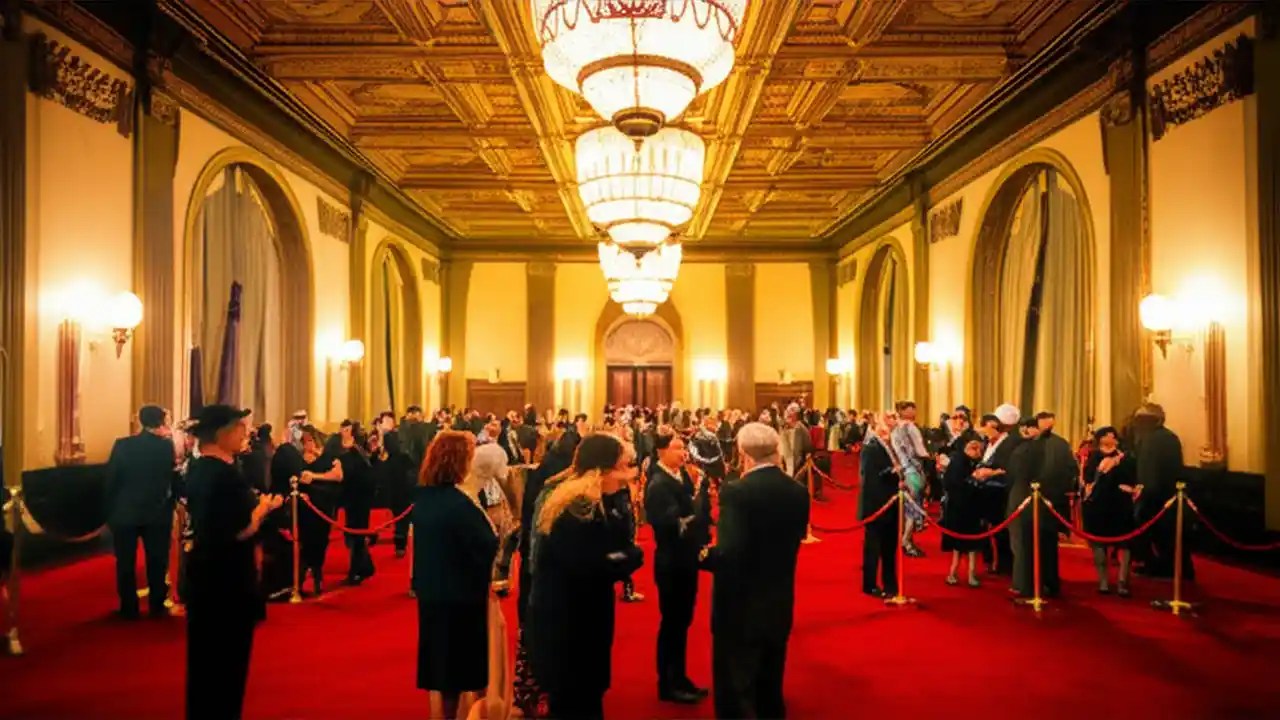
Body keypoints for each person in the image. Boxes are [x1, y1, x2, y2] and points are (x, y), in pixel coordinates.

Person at [529, 434, 644, 719]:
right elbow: (595, 564)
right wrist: (627, 558)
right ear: (602, 469)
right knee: (575, 699)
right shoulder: (579, 506)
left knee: (586, 694)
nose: (629, 473)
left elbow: (619, 545)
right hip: (568, 624)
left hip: (582, 617)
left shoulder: (596, 500)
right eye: (622, 466)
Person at [701, 422, 809, 719]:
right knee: (771, 677)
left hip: (740, 602)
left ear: (744, 454)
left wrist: (700, 557)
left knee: (736, 684)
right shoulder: (798, 491)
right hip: (778, 596)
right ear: (776, 450)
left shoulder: (737, 492)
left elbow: (730, 551)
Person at [184, 405, 283, 720]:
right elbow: (240, 530)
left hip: (203, 576)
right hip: (227, 581)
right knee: (228, 665)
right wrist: (263, 508)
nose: (245, 433)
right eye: (240, 427)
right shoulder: (225, 476)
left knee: (204, 663)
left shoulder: (197, 468)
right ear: (223, 433)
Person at [412, 431, 498, 720]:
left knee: (440, 664)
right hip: (459, 595)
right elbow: (487, 542)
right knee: (458, 669)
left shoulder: (424, 497)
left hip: (431, 590)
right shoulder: (459, 504)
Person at [644, 429, 711, 704]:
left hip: (686, 559)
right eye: (676, 447)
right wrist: (696, 497)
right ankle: (668, 683)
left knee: (683, 622)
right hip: (671, 562)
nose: (683, 452)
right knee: (672, 623)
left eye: (684, 447)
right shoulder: (659, 484)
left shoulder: (680, 475)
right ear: (661, 451)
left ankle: (680, 676)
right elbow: (675, 524)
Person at [104, 405, 179, 619]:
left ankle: (129, 607)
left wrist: (110, 510)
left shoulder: (122, 445)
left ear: (140, 421)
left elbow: (112, 480)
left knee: (125, 562)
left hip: (125, 511)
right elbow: (170, 478)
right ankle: (157, 605)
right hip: (157, 512)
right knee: (156, 560)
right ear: (161, 421)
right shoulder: (165, 447)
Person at [1130, 403, 1192, 580]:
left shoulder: (1152, 439)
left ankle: (1163, 567)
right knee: (1167, 536)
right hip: (1165, 493)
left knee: (1163, 536)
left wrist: (1142, 492)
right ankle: (1166, 566)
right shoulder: (1168, 437)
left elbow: (1149, 470)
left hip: (1157, 495)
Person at [1082, 426, 1136, 596]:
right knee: (1098, 543)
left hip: (1121, 504)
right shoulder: (1094, 456)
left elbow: (1132, 477)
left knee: (1125, 543)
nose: (1110, 437)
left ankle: (1122, 581)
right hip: (1098, 504)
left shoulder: (1126, 457)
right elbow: (1088, 477)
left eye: (1113, 435)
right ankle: (1103, 581)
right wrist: (1101, 471)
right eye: (1106, 435)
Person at [858, 414, 900, 598]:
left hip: (890, 503)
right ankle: (870, 585)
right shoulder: (871, 448)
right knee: (873, 549)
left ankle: (890, 583)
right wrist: (892, 472)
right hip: (877, 506)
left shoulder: (888, 446)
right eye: (889, 420)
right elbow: (870, 478)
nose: (892, 424)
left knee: (889, 548)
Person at [940, 439, 986, 588]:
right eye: (975, 448)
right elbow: (955, 484)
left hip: (967, 507)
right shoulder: (960, 462)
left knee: (969, 543)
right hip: (961, 508)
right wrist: (975, 479)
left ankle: (967, 572)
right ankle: (957, 572)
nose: (978, 452)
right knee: (963, 543)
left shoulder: (964, 461)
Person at [337, 420, 375, 585]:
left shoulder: (351, 456)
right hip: (361, 499)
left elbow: (348, 477)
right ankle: (365, 567)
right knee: (357, 535)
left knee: (355, 536)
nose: (342, 434)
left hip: (356, 500)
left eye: (346, 431)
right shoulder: (360, 453)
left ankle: (356, 572)